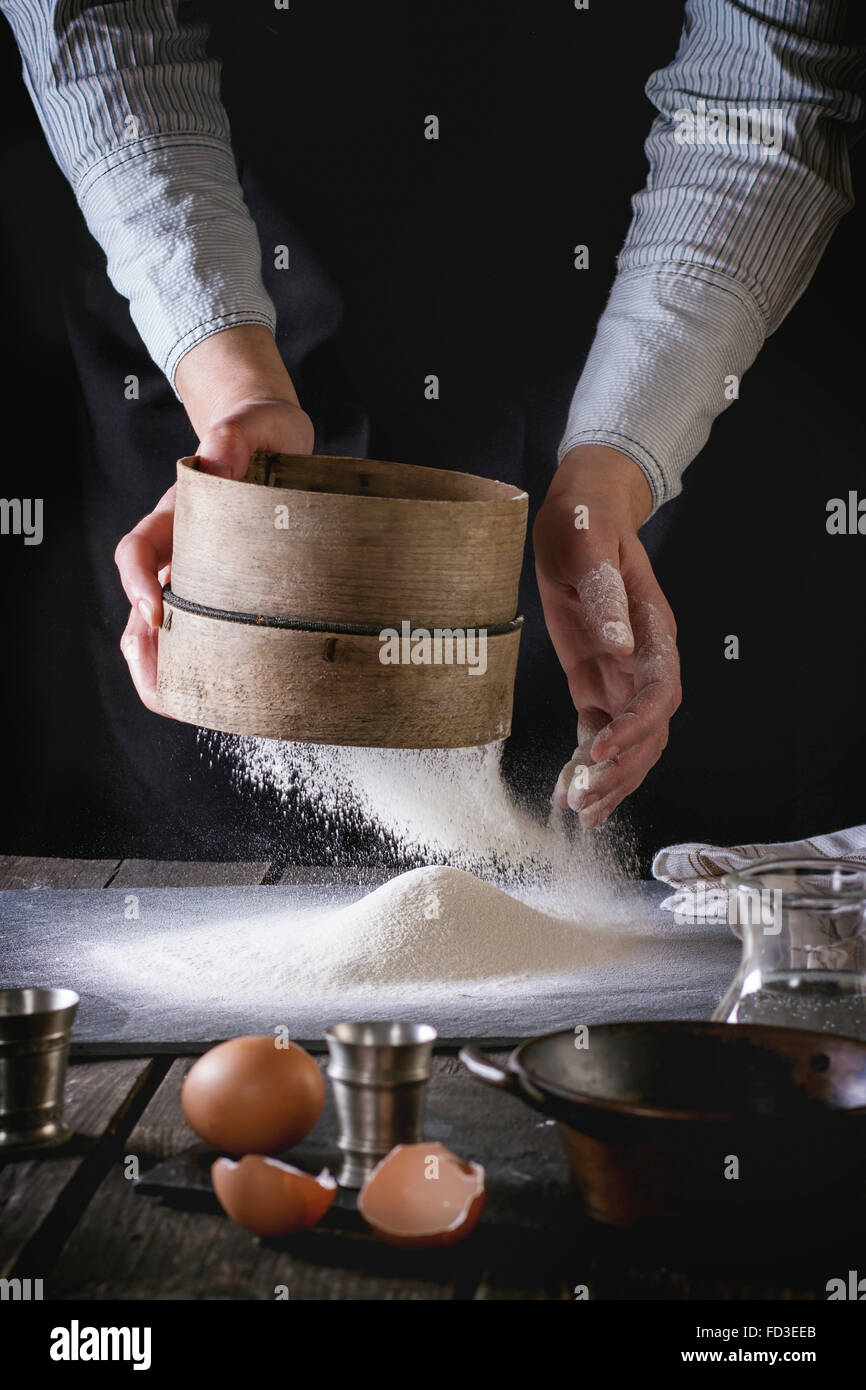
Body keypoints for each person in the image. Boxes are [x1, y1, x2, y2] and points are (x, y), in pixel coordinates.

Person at [2, 0, 862, 842]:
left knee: (653, 916)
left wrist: (613, 471)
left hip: (613, 327)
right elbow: (97, 22)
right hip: (212, 306)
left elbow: (763, 95)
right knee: (202, 879)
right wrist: (235, 391)